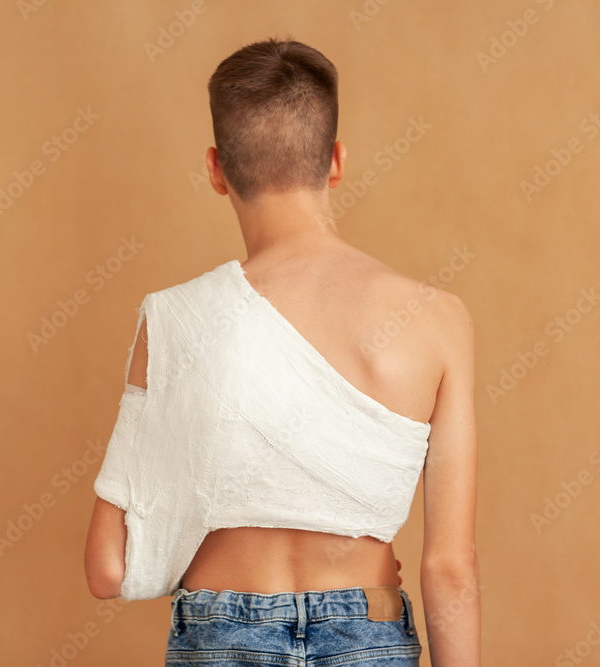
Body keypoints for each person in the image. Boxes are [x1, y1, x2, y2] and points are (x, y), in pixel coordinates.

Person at [84, 36, 480, 665]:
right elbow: (450, 568)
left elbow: (108, 569)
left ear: (216, 170)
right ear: (337, 161)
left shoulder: (175, 320)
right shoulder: (436, 320)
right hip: (366, 631)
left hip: (220, 636)